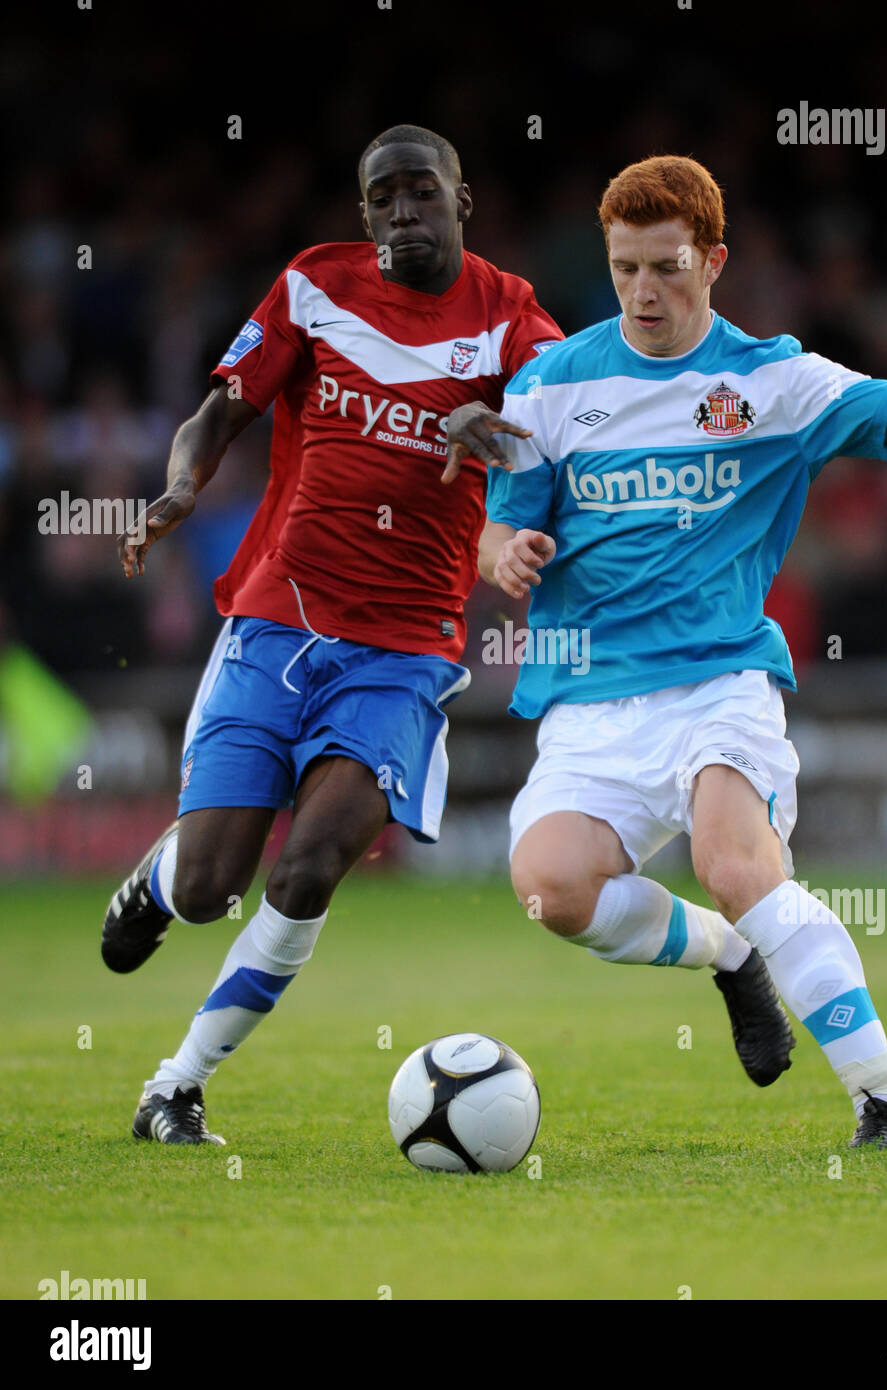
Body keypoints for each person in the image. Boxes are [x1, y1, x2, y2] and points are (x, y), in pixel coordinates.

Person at [445, 155, 887, 1146]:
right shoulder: (550, 388)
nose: (641, 291)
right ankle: (729, 959)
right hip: (590, 698)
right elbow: (493, 525)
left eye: (664, 267)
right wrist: (504, 551)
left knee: (734, 862)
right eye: (624, 269)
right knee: (550, 888)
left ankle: (885, 1103)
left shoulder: (771, 380)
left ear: (714, 259)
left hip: (718, 682)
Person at [101, 125, 564, 1144]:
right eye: (383, 197)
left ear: (461, 200)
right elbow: (222, 408)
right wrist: (181, 485)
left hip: (405, 648)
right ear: (364, 212)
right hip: (277, 616)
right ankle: (162, 875)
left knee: (307, 867)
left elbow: (567, 416)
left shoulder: (509, 316)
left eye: (422, 193)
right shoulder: (313, 285)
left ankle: (175, 1084)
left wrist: (502, 428)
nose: (404, 212)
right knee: (213, 882)